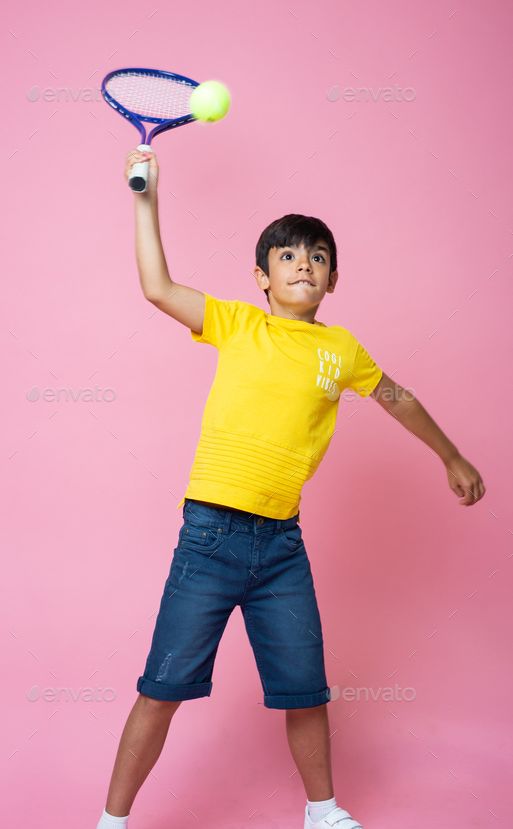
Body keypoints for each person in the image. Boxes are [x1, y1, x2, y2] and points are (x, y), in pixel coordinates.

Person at [96, 148, 485, 829]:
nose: (303, 263)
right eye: (288, 255)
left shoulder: (342, 351)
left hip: (281, 546)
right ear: (261, 276)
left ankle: (323, 811)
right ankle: (113, 820)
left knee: (305, 691)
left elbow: (395, 396)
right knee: (161, 688)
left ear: (333, 279)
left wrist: (450, 455)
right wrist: (145, 198)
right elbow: (157, 287)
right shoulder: (239, 324)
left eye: (318, 256)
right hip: (210, 535)